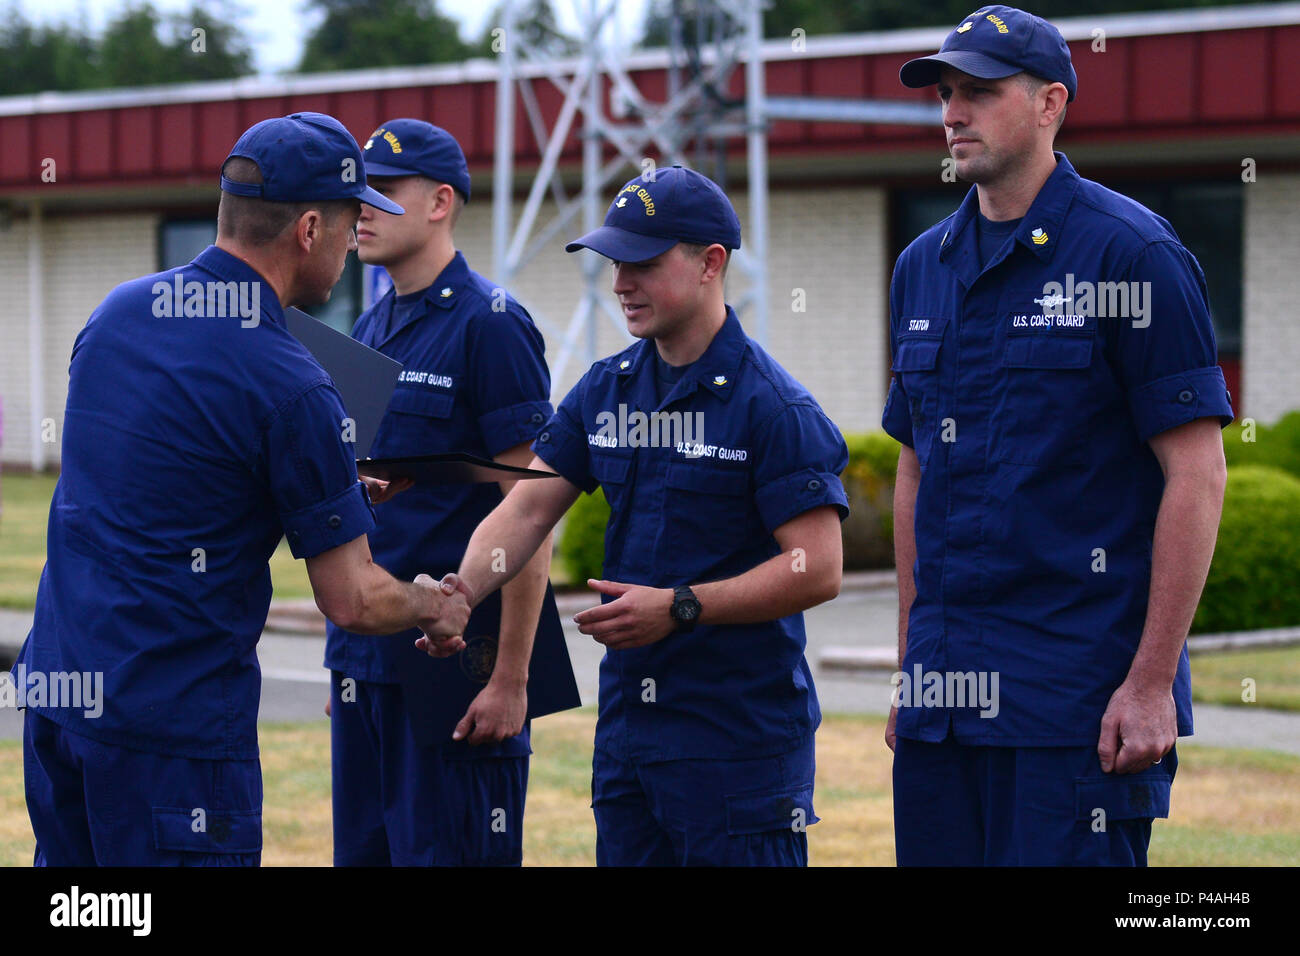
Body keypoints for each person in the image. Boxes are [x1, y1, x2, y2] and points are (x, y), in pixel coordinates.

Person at [15, 112, 470, 867]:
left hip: (61, 697)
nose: (356, 245)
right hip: (171, 733)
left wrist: (315, 487)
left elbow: (159, 471)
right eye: (354, 218)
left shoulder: (119, 312)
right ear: (311, 228)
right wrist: (433, 603)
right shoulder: (293, 383)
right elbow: (354, 599)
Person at [884, 5, 1234, 865]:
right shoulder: (922, 266)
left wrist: (1151, 684)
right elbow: (915, 471)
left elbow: (1197, 471)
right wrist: (912, 665)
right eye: (946, 93)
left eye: (980, 92)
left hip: (1074, 708)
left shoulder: (1132, 255)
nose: (953, 112)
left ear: (1049, 105)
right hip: (943, 711)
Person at [421, 165, 850, 866]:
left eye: (643, 263)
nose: (620, 281)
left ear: (711, 263)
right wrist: (464, 590)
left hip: (737, 749)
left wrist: (681, 606)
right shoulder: (606, 388)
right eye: (615, 261)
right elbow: (528, 507)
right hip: (629, 740)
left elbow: (819, 568)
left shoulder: (772, 408)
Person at [325, 118, 555, 867]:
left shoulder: (492, 326)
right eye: (359, 191)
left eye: (385, 192)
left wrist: (512, 677)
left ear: (440, 202)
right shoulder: (370, 320)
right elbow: (370, 496)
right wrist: (352, 664)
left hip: (456, 661)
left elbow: (531, 508)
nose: (362, 207)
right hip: (370, 662)